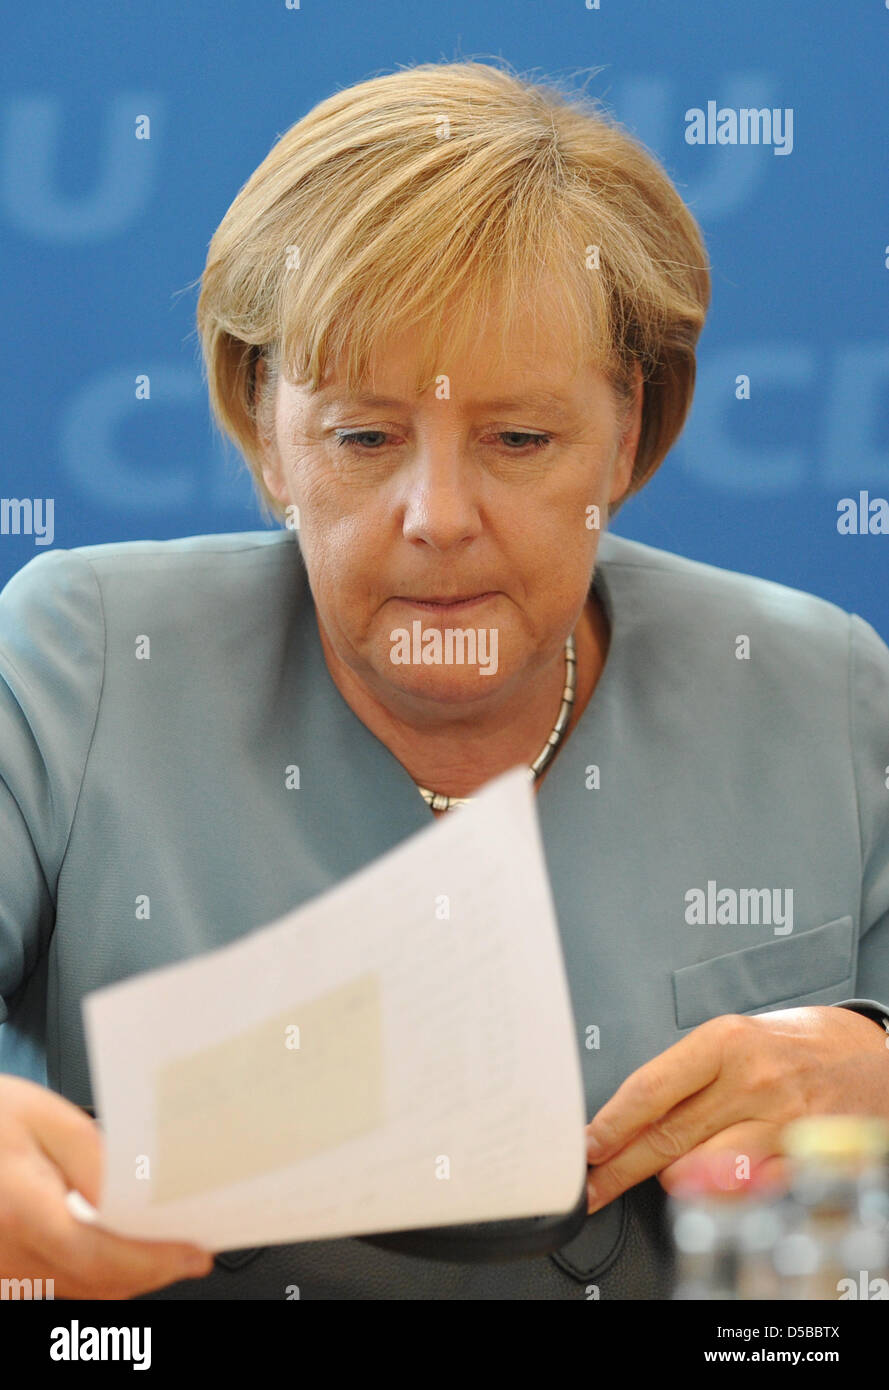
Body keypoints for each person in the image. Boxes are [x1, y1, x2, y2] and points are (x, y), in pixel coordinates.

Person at [1, 58, 888, 1301]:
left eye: (520, 439)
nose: (438, 517)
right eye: (364, 438)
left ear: (627, 431)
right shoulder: (78, 659)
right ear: (266, 433)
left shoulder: (826, 691)